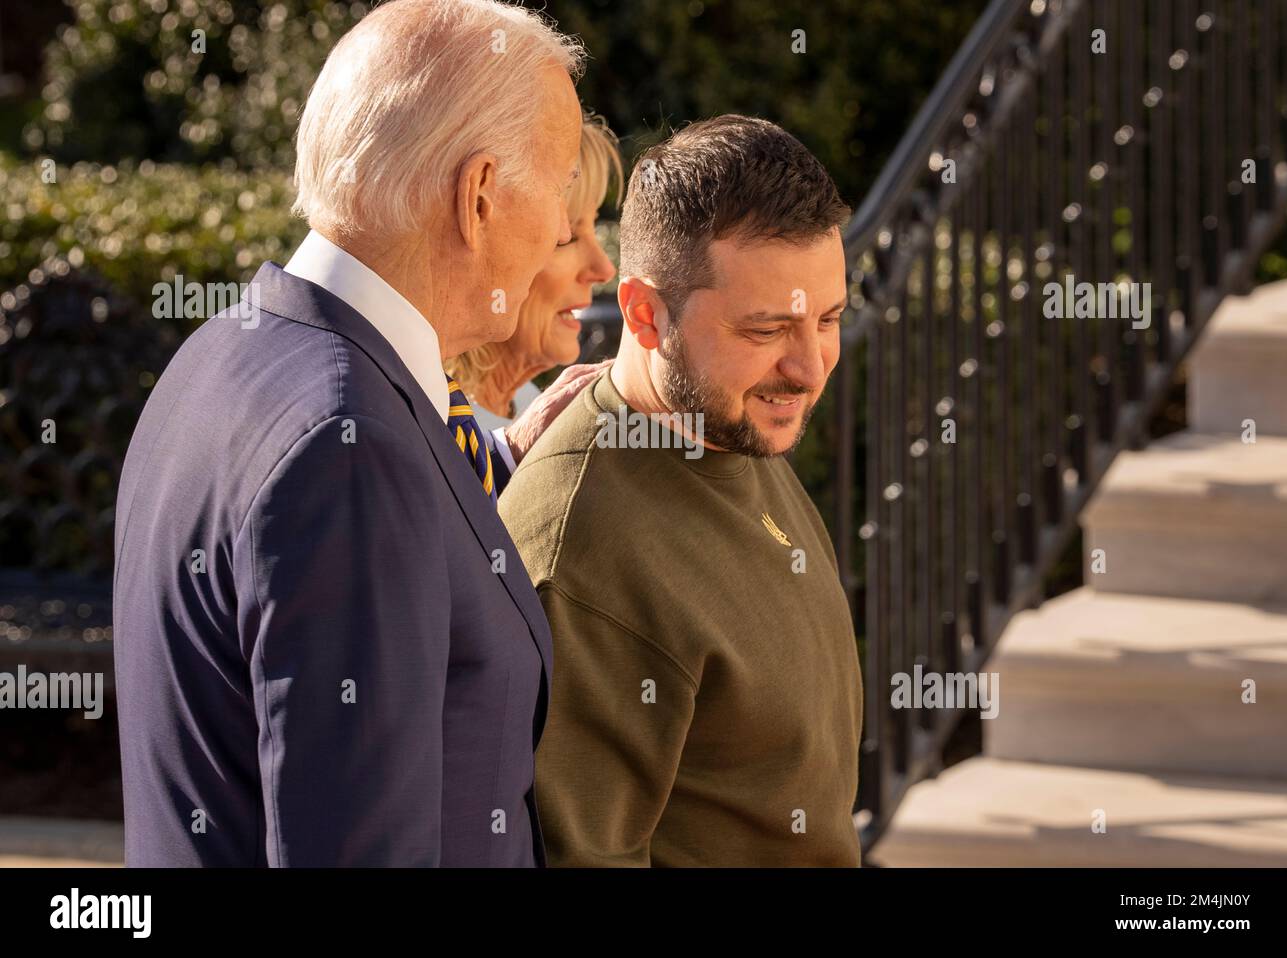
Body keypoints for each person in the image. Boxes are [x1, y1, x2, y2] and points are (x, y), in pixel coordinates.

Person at [113, 0, 602, 867]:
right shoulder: (353, 450)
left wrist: (490, 465)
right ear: (479, 196)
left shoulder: (223, 351)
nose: (573, 243)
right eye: (562, 192)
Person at [499, 115, 865, 867]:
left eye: (828, 319)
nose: (810, 366)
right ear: (643, 312)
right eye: (766, 331)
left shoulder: (731, 428)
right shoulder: (580, 549)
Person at [446, 116, 621, 434]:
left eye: (592, 228)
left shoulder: (532, 409)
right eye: (565, 238)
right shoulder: (430, 429)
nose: (604, 269)